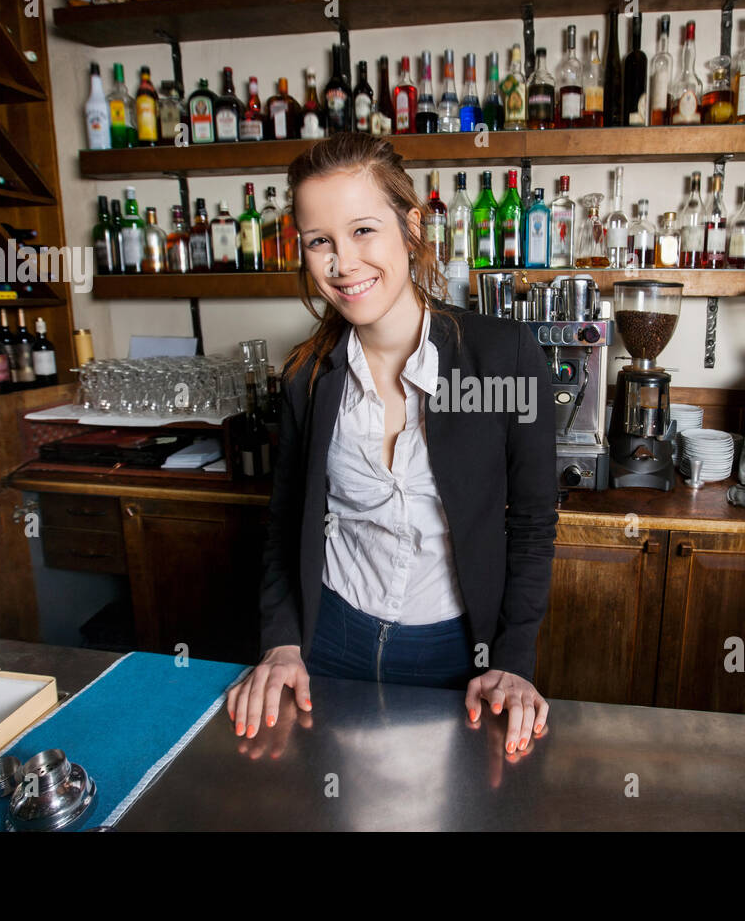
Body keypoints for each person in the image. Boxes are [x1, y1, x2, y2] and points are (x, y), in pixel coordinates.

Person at [226, 132, 558, 756]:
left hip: (457, 656)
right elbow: (283, 523)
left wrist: (514, 662)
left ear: (410, 227)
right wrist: (281, 642)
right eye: (319, 241)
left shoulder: (502, 359)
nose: (342, 264)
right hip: (329, 641)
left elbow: (534, 524)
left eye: (363, 231)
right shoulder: (307, 377)